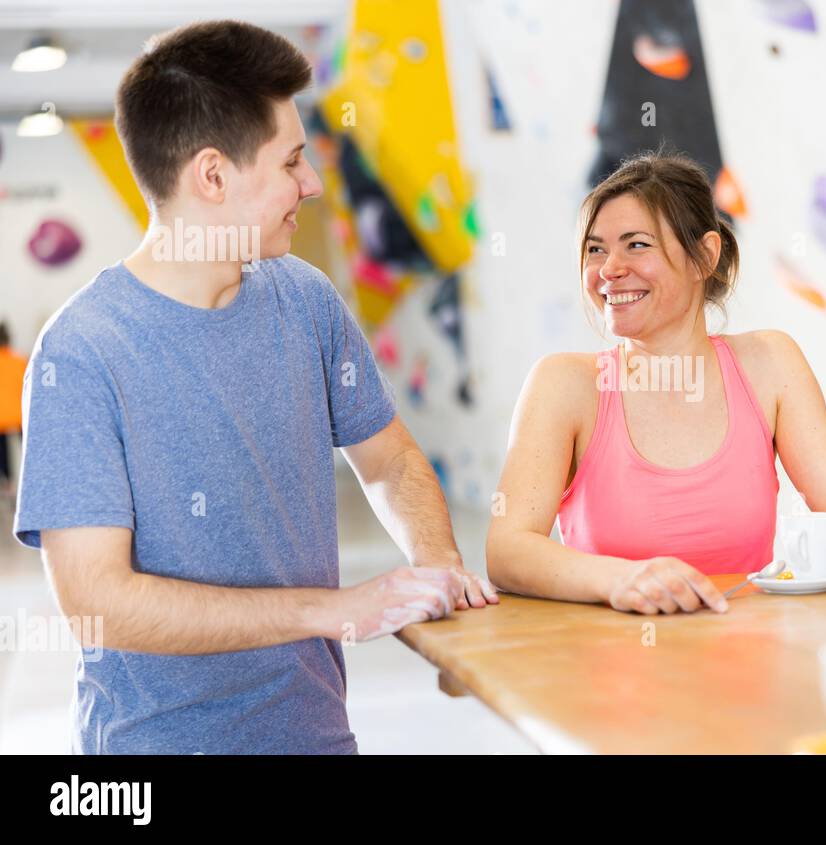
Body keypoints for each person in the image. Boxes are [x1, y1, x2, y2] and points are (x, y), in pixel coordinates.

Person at [14, 20, 495, 755]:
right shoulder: (81, 353)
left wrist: (437, 564)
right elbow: (98, 602)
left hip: (317, 736)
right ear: (213, 175)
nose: (311, 183)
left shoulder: (306, 299)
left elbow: (391, 460)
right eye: (293, 160)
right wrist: (331, 609)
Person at [486, 152, 826, 616]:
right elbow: (508, 548)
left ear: (704, 257)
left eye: (636, 245)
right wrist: (620, 580)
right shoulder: (565, 385)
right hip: (612, 687)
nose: (609, 270)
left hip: (748, 680)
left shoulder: (770, 364)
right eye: (596, 250)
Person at [0, 322, 25, 498]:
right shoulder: (20, 361)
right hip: (20, 416)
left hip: (1, 418)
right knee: (28, 448)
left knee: (3, 452)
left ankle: (7, 483)